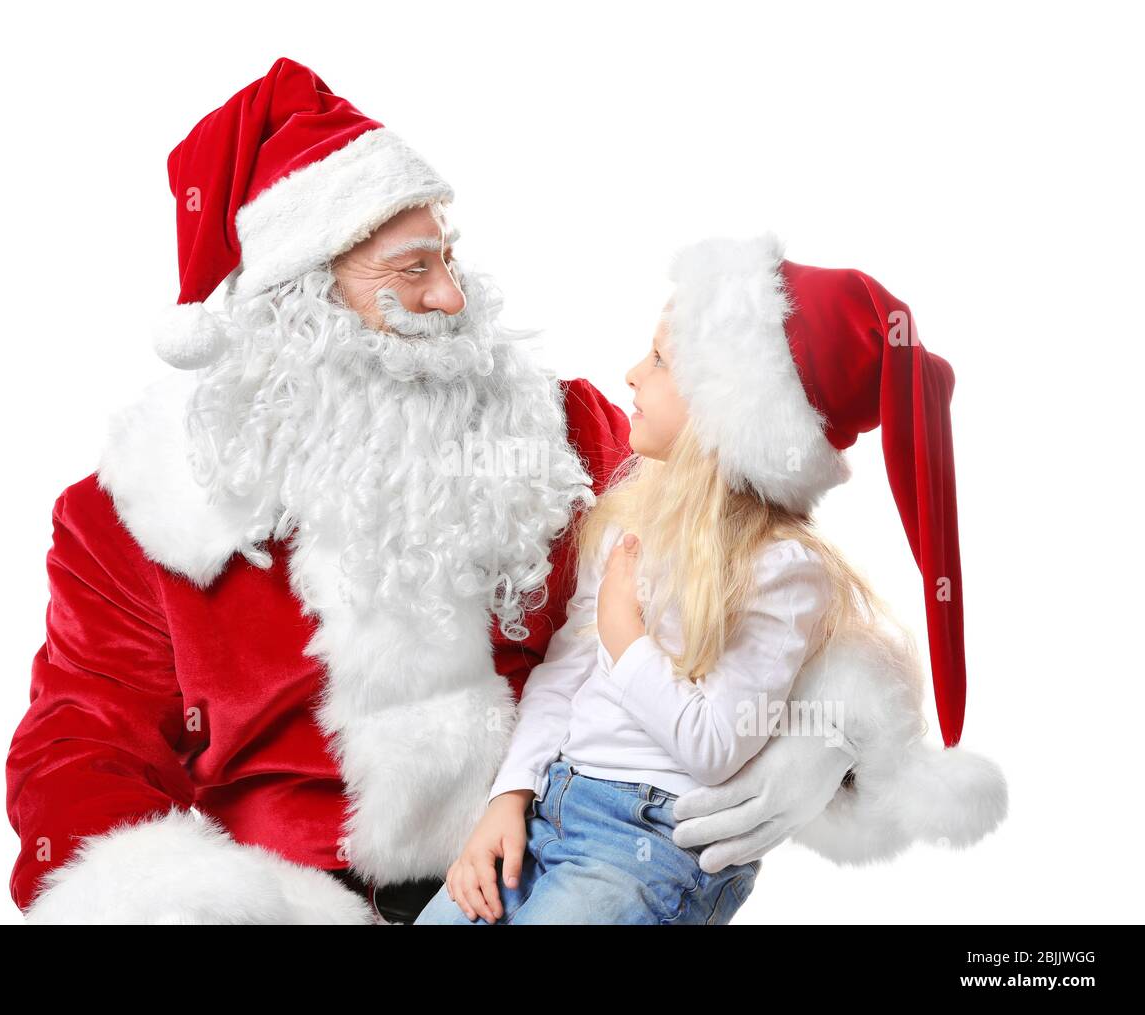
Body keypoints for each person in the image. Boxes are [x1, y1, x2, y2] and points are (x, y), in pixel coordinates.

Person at [6, 54, 1005, 925]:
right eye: (412, 269)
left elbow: (754, 565)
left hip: (563, 870)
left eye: (448, 257)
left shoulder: (566, 437)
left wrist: (819, 739)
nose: (453, 295)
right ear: (295, 306)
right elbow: (78, 750)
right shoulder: (137, 516)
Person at [416, 234, 1009, 924]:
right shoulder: (626, 520)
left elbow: (714, 744)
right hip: (553, 807)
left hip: (646, 843)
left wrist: (626, 638)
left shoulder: (784, 570)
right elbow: (564, 673)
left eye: (662, 360)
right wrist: (508, 797)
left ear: (725, 416)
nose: (633, 373)